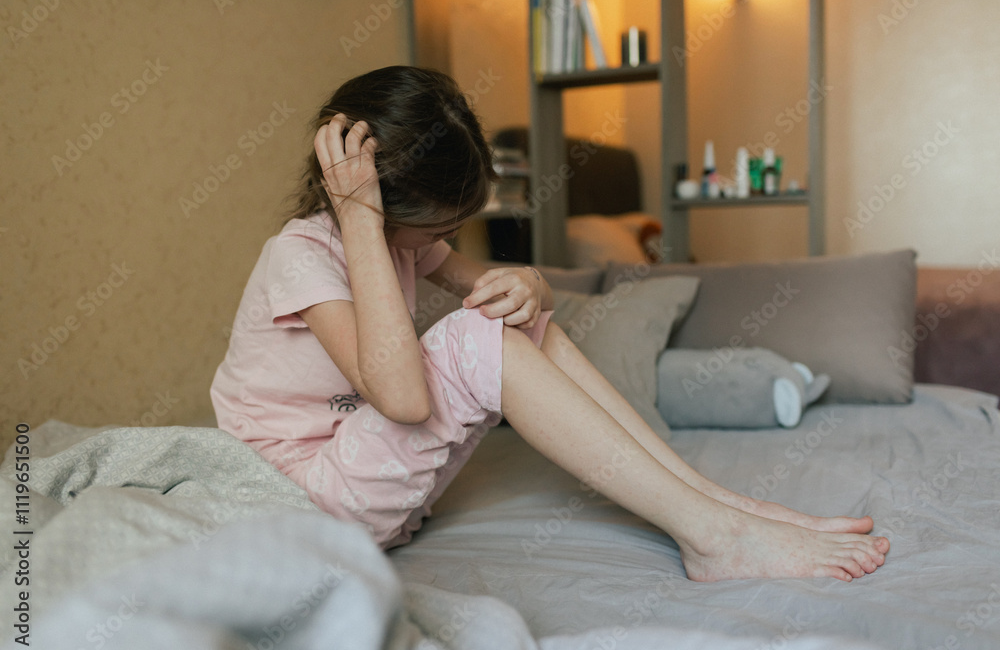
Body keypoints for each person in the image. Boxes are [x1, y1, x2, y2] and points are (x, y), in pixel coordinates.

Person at [211, 65, 889, 582]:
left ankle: (713, 506)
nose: (448, 238)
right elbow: (404, 398)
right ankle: (713, 535)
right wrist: (357, 215)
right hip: (302, 499)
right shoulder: (300, 256)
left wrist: (533, 283)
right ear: (377, 203)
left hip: (367, 482)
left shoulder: (400, 240)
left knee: (506, 314)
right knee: (471, 336)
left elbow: (505, 296)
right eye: (440, 226)